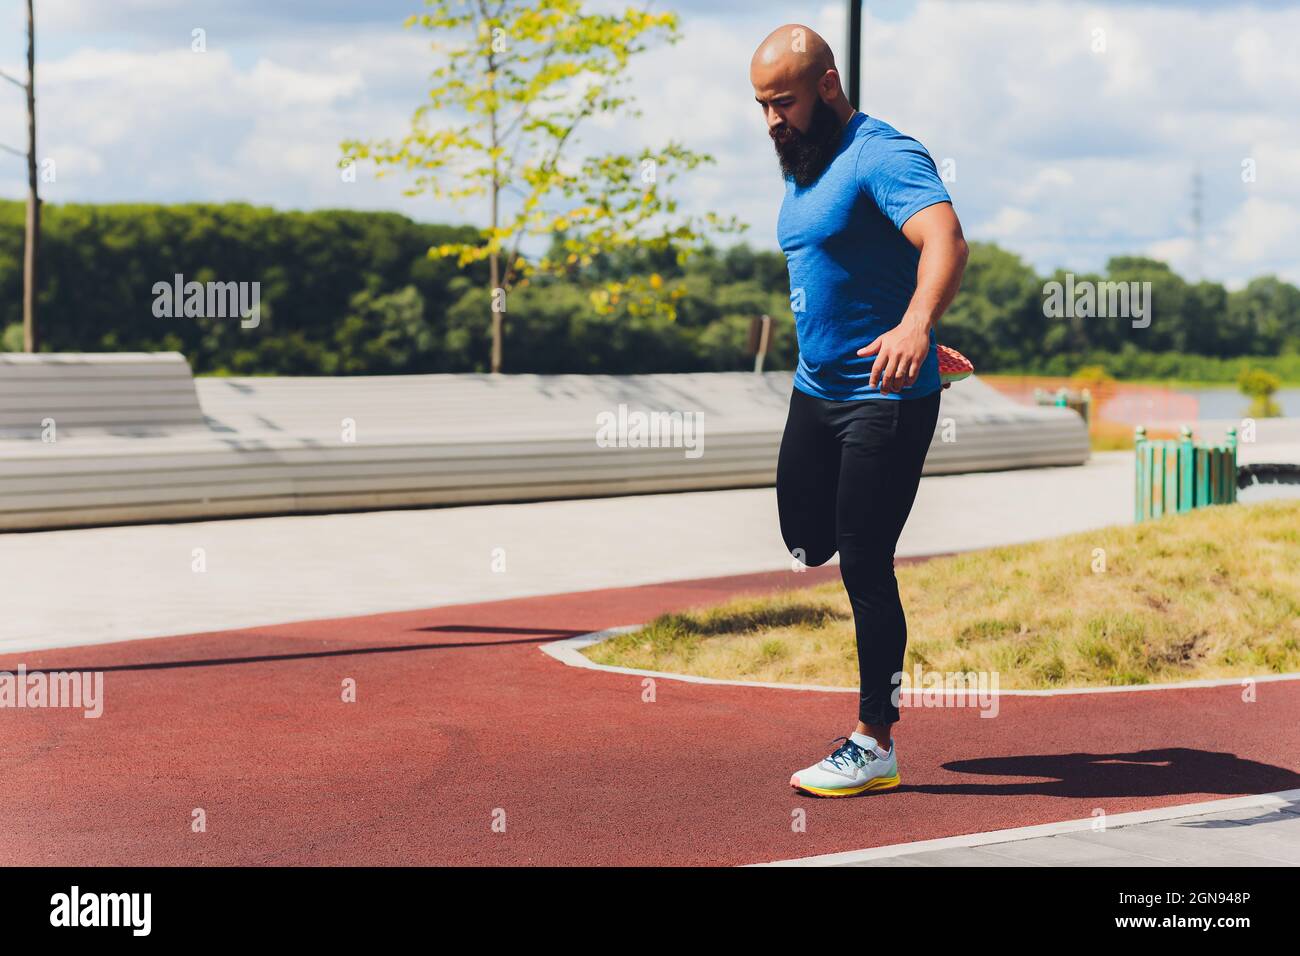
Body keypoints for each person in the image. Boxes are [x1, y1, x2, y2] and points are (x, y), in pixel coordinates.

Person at [751, 23, 969, 796]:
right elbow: (847, 266)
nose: (773, 120)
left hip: (884, 395)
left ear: (829, 87)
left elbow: (943, 237)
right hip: (817, 391)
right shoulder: (802, 164)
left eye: (784, 103)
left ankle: (875, 739)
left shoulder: (883, 153)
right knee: (804, 541)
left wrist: (914, 325)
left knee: (864, 561)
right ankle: (929, 352)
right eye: (762, 106)